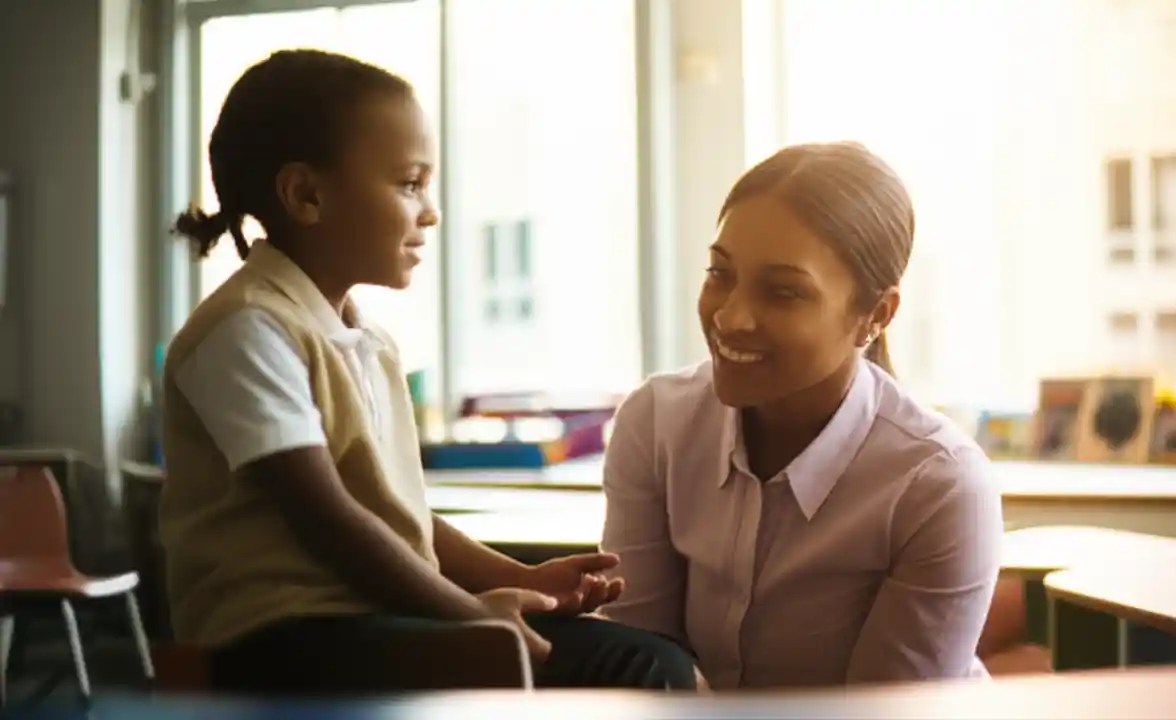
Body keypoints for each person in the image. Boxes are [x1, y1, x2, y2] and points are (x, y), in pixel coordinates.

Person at [160, 49, 694, 694]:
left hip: (372, 615)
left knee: (650, 656)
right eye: (410, 184)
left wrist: (518, 580)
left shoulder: (365, 341)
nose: (430, 212)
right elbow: (330, 521)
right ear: (306, 194)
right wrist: (473, 617)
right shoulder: (245, 330)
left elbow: (393, 513)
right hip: (280, 638)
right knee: (631, 667)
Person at [599, 141, 1003, 689]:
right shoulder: (654, 423)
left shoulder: (937, 484)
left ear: (875, 315)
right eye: (720, 273)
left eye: (783, 292)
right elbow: (639, 666)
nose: (732, 316)